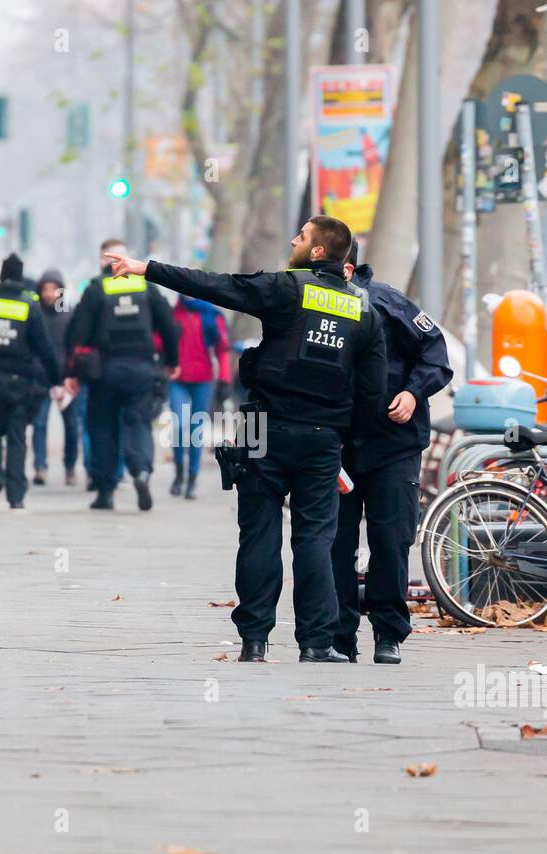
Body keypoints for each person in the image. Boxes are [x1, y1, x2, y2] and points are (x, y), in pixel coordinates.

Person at [105, 215, 387, 663]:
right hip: (323, 434)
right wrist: (344, 443)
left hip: (260, 424)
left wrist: (147, 268)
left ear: (317, 252)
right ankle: (316, 644)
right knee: (315, 538)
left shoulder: (284, 287)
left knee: (258, 533)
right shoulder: (364, 311)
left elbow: (216, 286)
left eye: (301, 237)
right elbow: (372, 393)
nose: (292, 241)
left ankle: (254, 642)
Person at [332, 247, 453, 664]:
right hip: (336, 445)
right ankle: (338, 636)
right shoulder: (306, 303)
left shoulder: (387, 302)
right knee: (334, 542)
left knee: (390, 540)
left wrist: (412, 392)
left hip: (394, 444)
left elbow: (436, 354)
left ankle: (388, 632)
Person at [69, 238, 180, 511]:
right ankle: (141, 472)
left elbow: (77, 333)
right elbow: (169, 326)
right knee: (138, 424)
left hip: (104, 371)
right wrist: (172, 361)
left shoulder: (96, 289)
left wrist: (71, 372)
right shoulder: (147, 287)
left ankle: (105, 491)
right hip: (142, 368)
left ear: (102, 261)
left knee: (102, 427)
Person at [0, 253, 61, 510]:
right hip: (20, 381)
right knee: (17, 436)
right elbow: (45, 348)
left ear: (0, 275)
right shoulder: (30, 306)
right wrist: (55, 379)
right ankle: (15, 496)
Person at [168, 295, 231, 499]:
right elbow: (160, 340)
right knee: (178, 425)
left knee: (196, 429)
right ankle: (179, 473)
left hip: (203, 379)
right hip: (177, 378)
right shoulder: (173, 313)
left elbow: (222, 349)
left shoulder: (212, 315)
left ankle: (192, 479)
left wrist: (224, 378)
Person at [30, 270, 81, 486]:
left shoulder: (69, 314)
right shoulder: (34, 314)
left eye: (53, 289)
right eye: (45, 289)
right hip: (40, 377)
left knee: (71, 426)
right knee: (39, 423)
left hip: (66, 379)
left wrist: (73, 374)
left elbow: (75, 347)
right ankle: (40, 467)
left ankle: (69, 467)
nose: (49, 294)